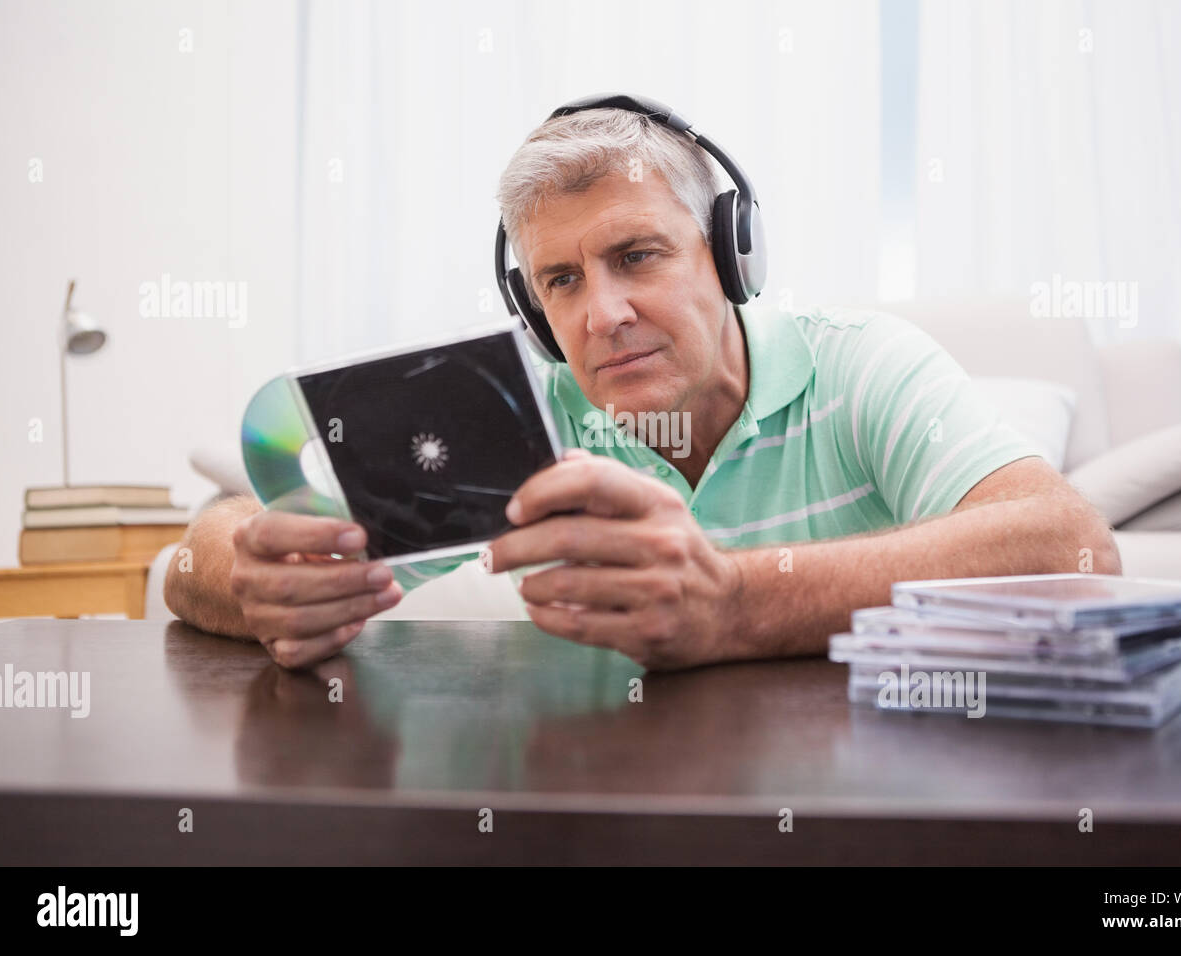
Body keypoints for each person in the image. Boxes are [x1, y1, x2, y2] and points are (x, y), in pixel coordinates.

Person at [165, 98, 1121, 671]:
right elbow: (216, 541)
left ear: (728, 257)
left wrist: (733, 604)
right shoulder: (525, 415)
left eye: (636, 256)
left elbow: (1069, 545)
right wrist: (245, 578)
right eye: (562, 282)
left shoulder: (862, 362)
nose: (601, 314)